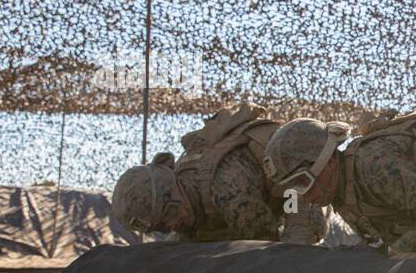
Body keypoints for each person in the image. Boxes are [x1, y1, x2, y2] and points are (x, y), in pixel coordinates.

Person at [261, 104, 416, 255]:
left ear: (327, 161)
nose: (306, 197)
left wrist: (392, 254)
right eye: (293, 190)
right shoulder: (339, 190)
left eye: (303, 183)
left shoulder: (373, 166)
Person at [111, 103, 323, 244]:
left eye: (171, 213)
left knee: (294, 250)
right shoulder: (185, 196)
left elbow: (264, 241)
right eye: (162, 227)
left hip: (296, 188)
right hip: (251, 206)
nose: (173, 224)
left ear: (174, 186)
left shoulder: (228, 190)